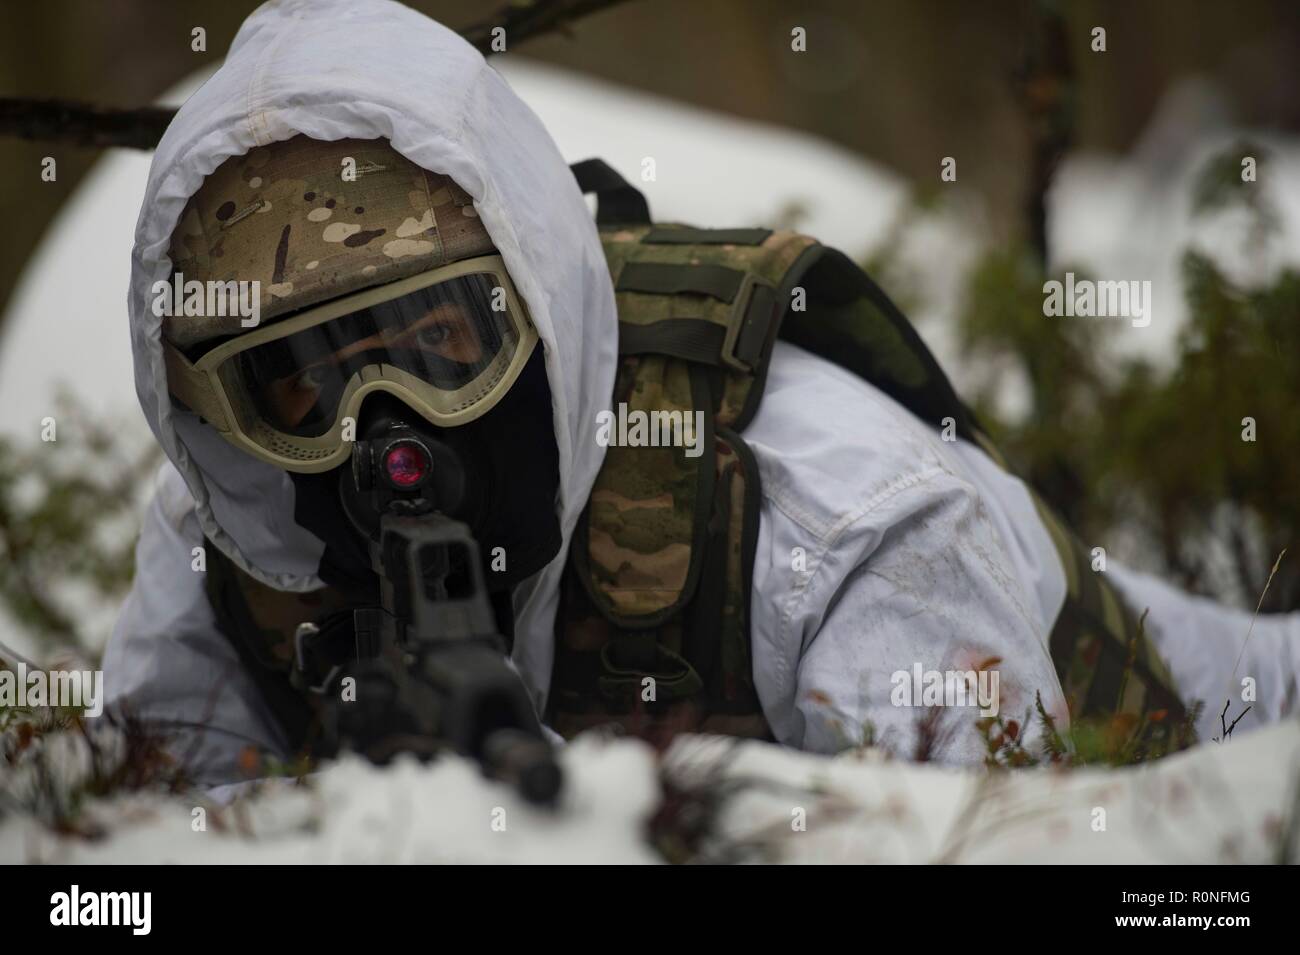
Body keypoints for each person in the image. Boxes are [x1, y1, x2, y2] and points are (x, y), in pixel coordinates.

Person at [105, 0, 1300, 785]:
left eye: (440, 338)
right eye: (297, 388)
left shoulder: (829, 512)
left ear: (541, 299)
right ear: (221, 421)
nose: (387, 433)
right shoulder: (235, 551)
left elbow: (989, 844)